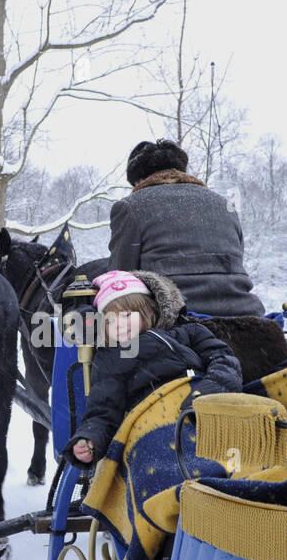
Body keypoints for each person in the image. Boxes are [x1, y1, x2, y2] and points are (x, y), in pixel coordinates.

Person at [69, 270, 242, 466]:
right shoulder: (110, 359)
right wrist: (90, 438)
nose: (119, 324)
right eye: (109, 319)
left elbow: (223, 359)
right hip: (156, 422)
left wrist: (211, 390)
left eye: (126, 315)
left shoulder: (187, 332)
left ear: (146, 312)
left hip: (205, 404)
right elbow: (103, 410)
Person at [108, 139, 265, 318]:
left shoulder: (131, 206)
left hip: (173, 314)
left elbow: (119, 277)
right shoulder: (225, 204)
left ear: (140, 179)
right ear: (180, 170)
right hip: (241, 310)